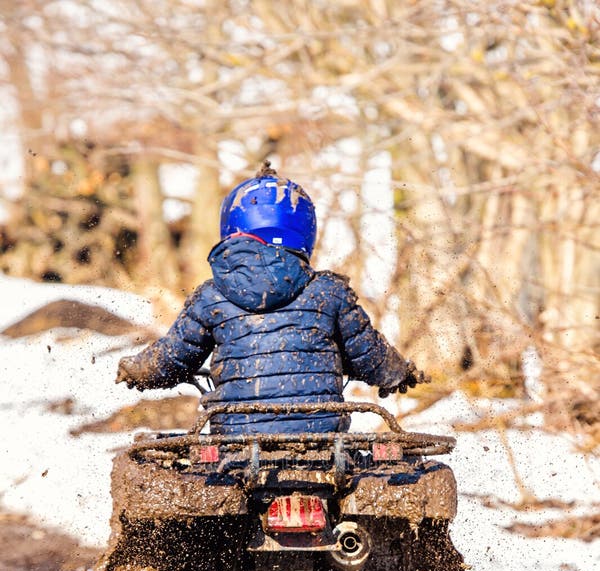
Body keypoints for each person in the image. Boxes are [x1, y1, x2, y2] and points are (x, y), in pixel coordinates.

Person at [116, 163, 423, 434]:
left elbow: (172, 358)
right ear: (305, 229)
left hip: (236, 440)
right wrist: (399, 373)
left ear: (231, 227)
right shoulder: (329, 292)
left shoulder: (210, 296)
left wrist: (137, 370)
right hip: (321, 439)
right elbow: (369, 356)